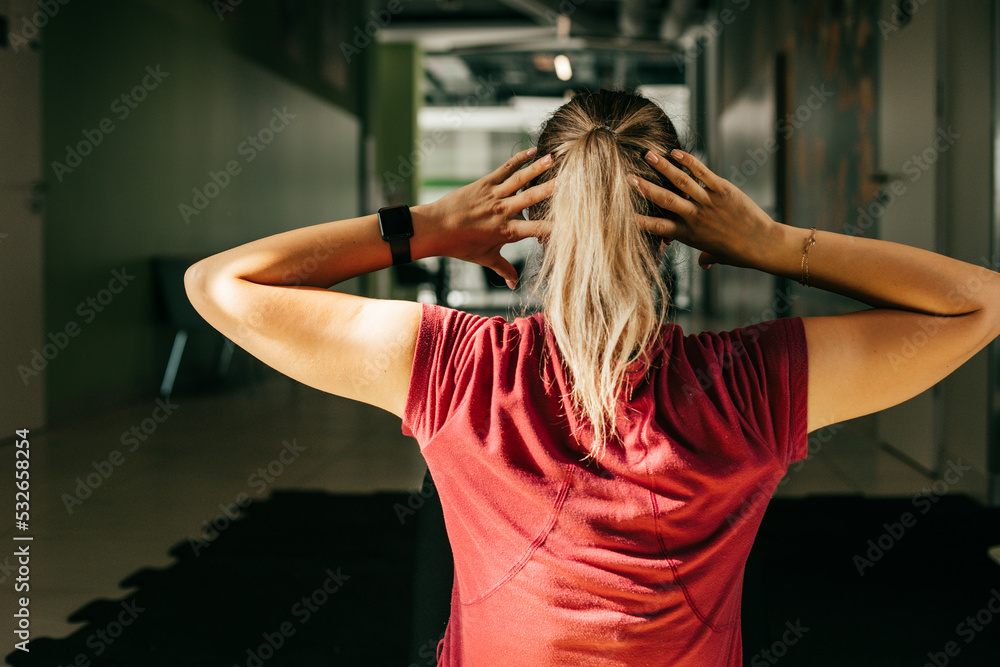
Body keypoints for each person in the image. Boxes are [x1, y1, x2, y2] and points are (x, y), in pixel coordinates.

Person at [184, 89, 1000, 665]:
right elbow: (978, 304)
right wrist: (778, 245)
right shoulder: (751, 385)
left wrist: (425, 227)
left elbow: (219, 284)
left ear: (543, 219)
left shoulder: (461, 371)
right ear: (678, 226)